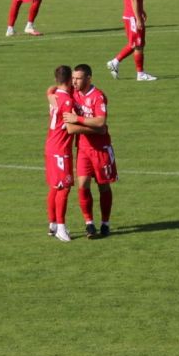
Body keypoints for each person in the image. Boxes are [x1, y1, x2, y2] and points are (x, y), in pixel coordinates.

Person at [65, 64, 117, 238]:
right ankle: (89, 224)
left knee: (103, 186)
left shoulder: (98, 96)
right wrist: (92, 127)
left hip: (100, 149)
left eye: (78, 78)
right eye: (73, 78)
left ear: (89, 78)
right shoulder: (73, 93)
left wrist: (77, 119)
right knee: (83, 184)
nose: (74, 82)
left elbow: (101, 121)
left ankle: (105, 223)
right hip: (83, 149)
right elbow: (73, 128)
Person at [107, 0, 157, 81]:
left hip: (132, 15)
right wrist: (138, 17)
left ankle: (116, 62)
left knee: (137, 44)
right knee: (137, 44)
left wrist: (142, 11)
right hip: (132, 17)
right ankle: (138, 73)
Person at [46, 64, 81, 242]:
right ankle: (61, 227)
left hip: (51, 145)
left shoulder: (53, 95)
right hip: (61, 148)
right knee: (64, 187)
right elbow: (70, 126)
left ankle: (52, 224)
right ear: (69, 80)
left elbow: (49, 90)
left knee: (55, 186)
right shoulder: (67, 101)